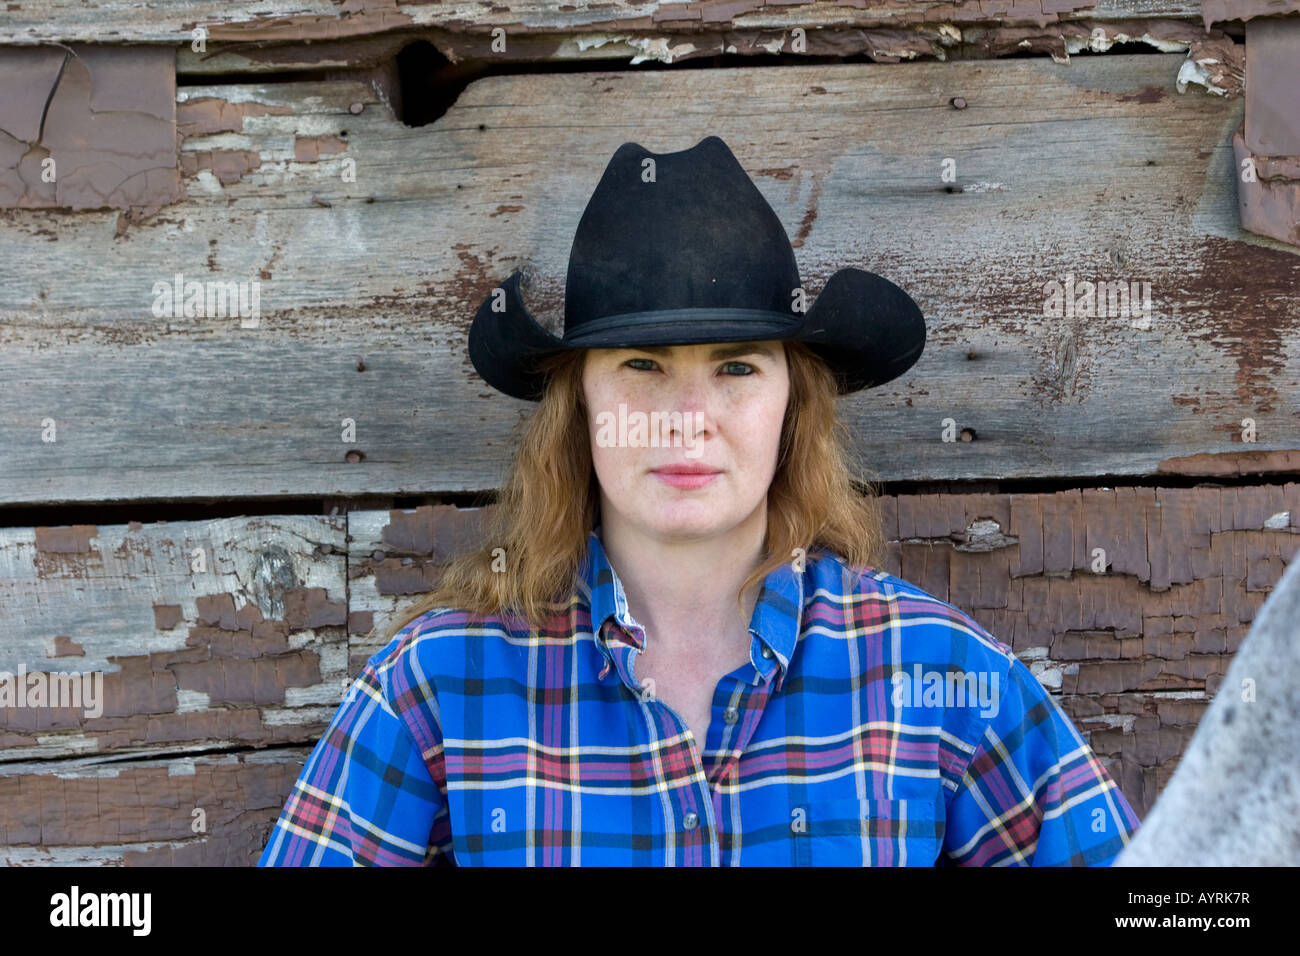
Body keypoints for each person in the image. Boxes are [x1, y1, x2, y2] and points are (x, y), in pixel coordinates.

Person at [258, 136, 1140, 866]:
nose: (689, 422)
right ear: (581, 410)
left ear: (793, 405)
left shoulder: (927, 668)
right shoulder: (446, 681)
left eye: (736, 368)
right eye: (642, 368)